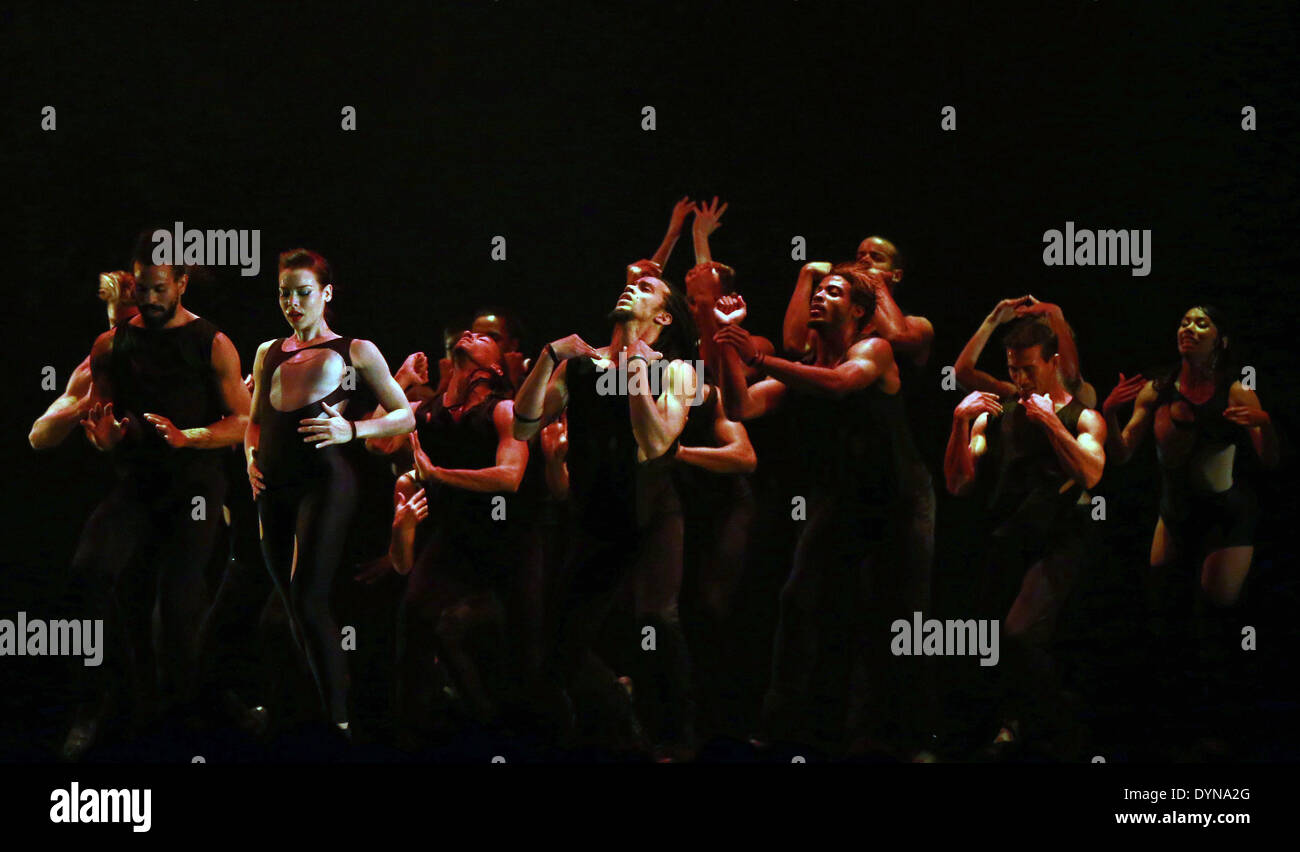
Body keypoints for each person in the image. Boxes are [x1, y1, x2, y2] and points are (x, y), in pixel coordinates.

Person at [713, 265, 929, 756]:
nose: (818, 297)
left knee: (897, 617)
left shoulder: (873, 349)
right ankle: (784, 726)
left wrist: (760, 356)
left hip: (901, 502)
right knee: (799, 601)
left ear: (857, 311)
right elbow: (741, 407)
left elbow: (839, 385)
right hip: (844, 501)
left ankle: (898, 738)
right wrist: (727, 340)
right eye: (817, 289)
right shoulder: (806, 364)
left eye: (832, 292)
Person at [62, 246, 250, 760]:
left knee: (178, 606)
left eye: (159, 288)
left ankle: (187, 717)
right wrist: (103, 438)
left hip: (193, 487)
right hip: (136, 486)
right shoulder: (112, 343)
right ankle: (102, 701)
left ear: (182, 282)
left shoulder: (212, 343)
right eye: (141, 288)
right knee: (90, 572)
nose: (149, 298)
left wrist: (189, 436)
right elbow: (101, 414)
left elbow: (242, 421)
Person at [512, 273, 700, 760]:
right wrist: (549, 356)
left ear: (663, 315)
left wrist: (636, 373)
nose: (630, 287)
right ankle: (616, 716)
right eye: (629, 284)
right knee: (559, 647)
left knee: (658, 618)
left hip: (651, 511)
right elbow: (523, 421)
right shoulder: (582, 367)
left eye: (646, 288)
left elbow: (656, 443)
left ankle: (678, 740)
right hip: (596, 514)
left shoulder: (676, 370)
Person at [245, 248, 414, 739]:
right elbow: (255, 422)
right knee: (290, 601)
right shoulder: (267, 350)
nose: (293, 303)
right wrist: (249, 461)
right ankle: (311, 709)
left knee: (308, 595)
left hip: (325, 481)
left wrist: (353, 430)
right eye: (284, 294)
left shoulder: (355, 350)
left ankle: (339, 721)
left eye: (303, 293)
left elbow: (404, 414)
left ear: (326, 294)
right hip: (271, 487)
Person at [1101, 306, 1277, 750]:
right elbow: (1121, 455)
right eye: (1183, 321)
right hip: (1175, 513)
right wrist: (1109, 413)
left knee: (1212, 619)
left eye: (1202, 324)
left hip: (1226, 518)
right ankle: (1173, 726)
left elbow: (1271, 460)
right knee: (1165, 617)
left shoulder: (1237, 390)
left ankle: (1220, 729)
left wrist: (1266, 426)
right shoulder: (1157, 390)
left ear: (1221, 341)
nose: (1188, 328)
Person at [944, 318, 1106, 758]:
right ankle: (1013, 724)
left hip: (1059, 541)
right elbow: (960, 483)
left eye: (1028, 368)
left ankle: (1062, 731)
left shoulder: (1082, 415)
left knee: (1018, 633)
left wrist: (1053, 425)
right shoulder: (998, 413)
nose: (1019, 378)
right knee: (994, 641)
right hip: (1007, 537)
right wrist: (961, 424)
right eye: (1013, 369)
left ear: (1052, 362)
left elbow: (1091, 473)